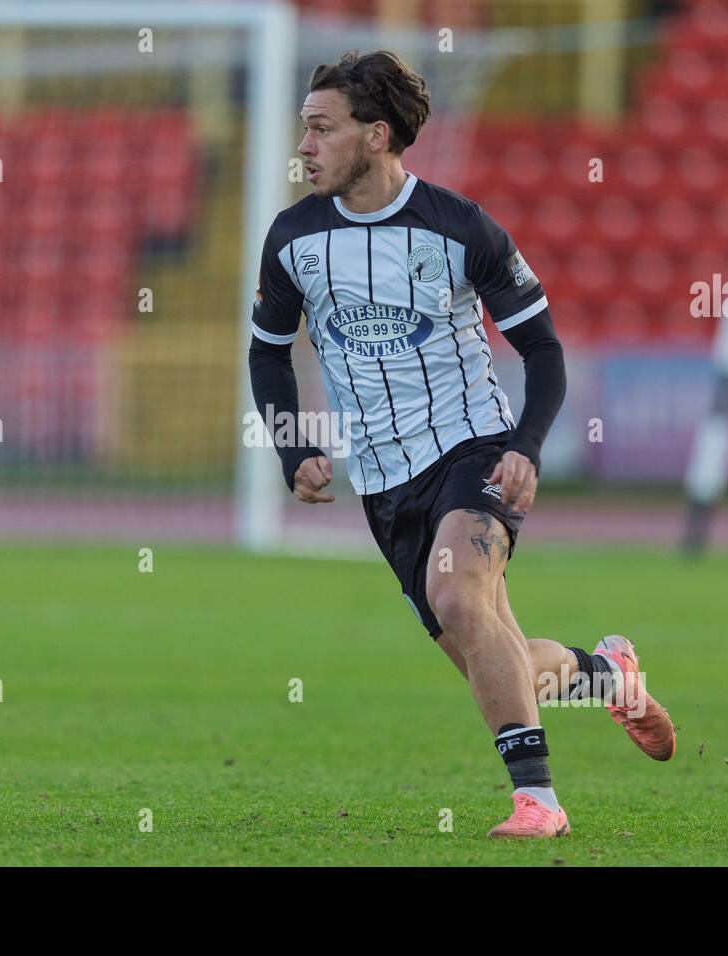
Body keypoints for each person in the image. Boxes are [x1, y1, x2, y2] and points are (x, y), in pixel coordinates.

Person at [248, 50, 674, 838]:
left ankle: (538, 802)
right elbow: (268, 351)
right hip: (383, 484)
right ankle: (607, 676)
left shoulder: (459, 227)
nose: (303, 146)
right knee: (494, 655)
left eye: (320, 129)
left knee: (456, 596)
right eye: (303, 129)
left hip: (472, 450)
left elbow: (543, 351)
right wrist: (290, 447)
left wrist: (526, 447)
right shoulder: (293, 238)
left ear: (376, 137)